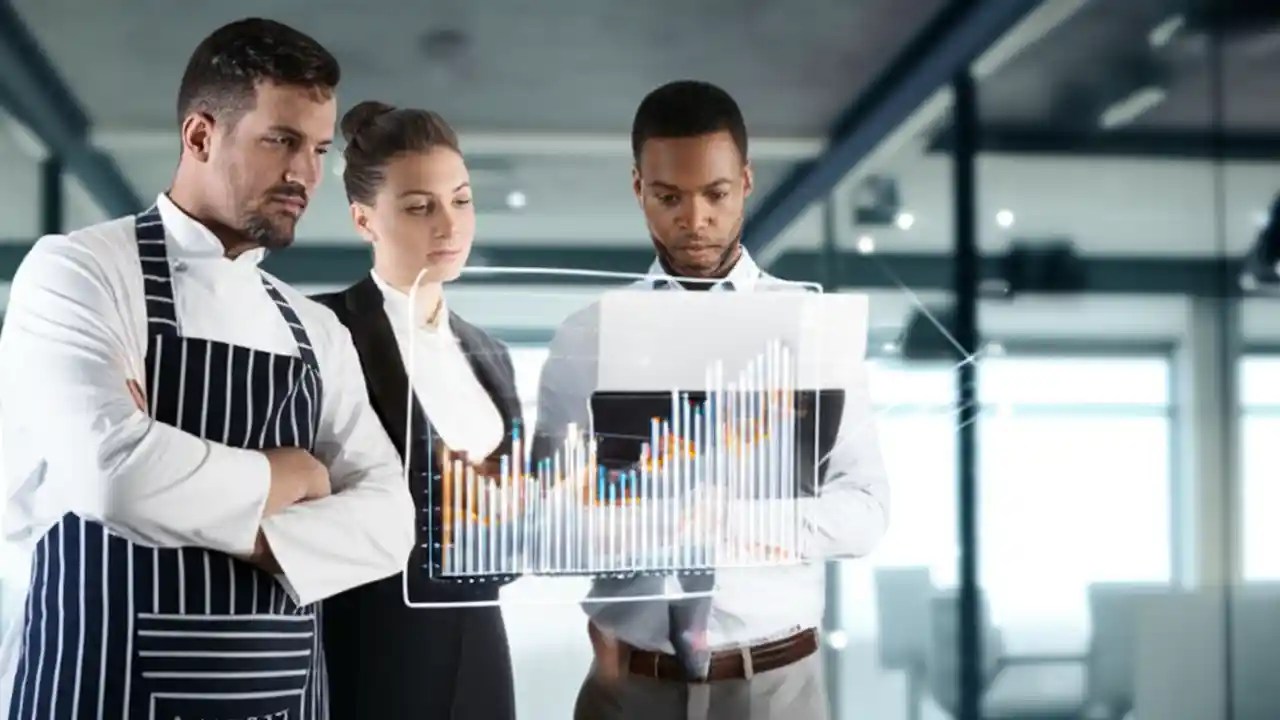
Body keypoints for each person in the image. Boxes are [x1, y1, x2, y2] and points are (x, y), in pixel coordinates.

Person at [0, 19, 415, 720]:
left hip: (283, 698)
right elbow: (117, 477)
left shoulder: (314, 329)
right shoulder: (79, 273)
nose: (307, 175)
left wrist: (253, 529)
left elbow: (390, 524)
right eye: (281, 141)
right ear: (199, 136)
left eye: (318, 149)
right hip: (97, 690)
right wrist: (297, 478)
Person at [532, 80, 890, 720]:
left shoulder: (808, 327)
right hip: (628, 686)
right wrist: (638, 522)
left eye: (716, 195)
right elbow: (547, 522)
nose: (694, 220)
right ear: (638, 188)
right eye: (669, 197)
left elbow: (865, 513)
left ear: (746, 182)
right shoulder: (586, 337)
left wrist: (729, 523)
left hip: (778, 686)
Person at [312, 102, 521, 720]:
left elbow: (506, 527)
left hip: (481, 643)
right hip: (371, 647)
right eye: (418, 206)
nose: (448, 225)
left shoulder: (491, 353)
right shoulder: (323, 331)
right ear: (363, 219)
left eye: (460, 200)